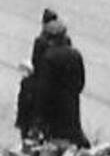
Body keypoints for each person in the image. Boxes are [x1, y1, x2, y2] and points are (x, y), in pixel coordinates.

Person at [37, 19, 89, 147]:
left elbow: (44, 88)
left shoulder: (49, 57)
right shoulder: (75, 54)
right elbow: (80, 82)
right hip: (71, 102)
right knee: (73, 133)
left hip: (54, 107)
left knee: (55, 140)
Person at [16, 8, 59, 138]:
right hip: (58, 81)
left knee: (26, 94)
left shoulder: (41, 41)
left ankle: (27, 126)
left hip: (43, 80)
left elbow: (37, 61)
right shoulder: (64, 41)